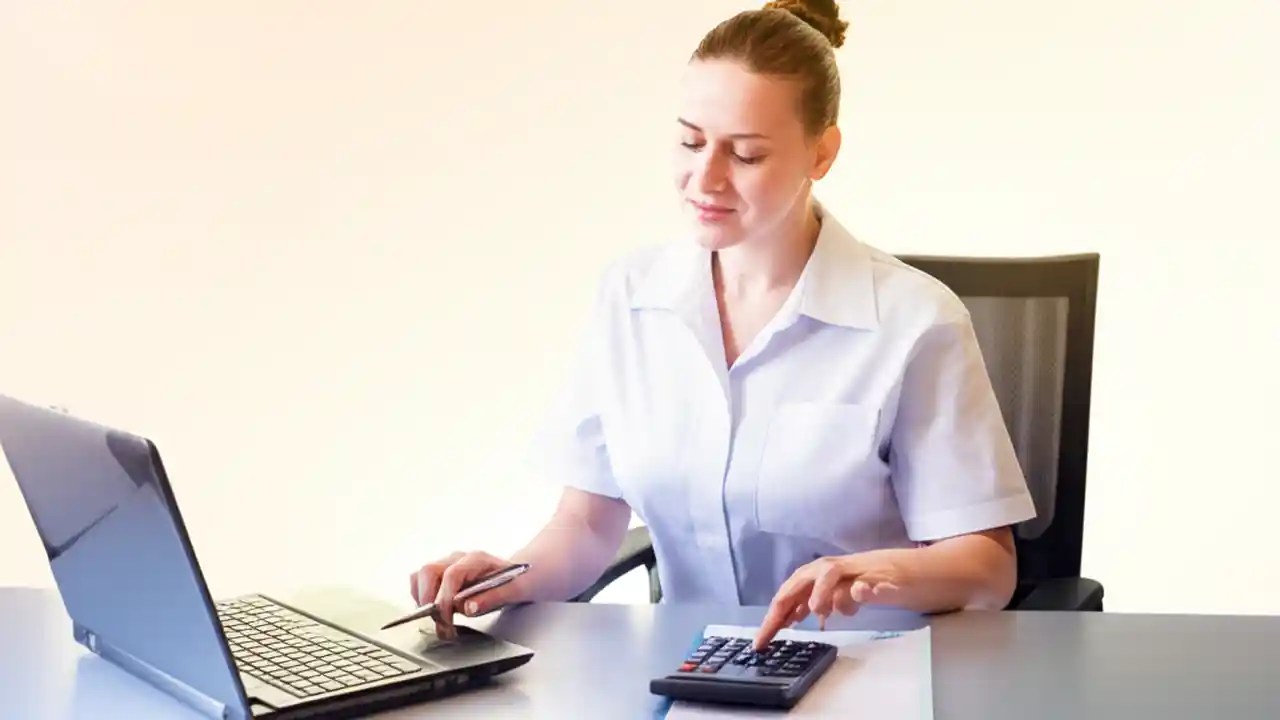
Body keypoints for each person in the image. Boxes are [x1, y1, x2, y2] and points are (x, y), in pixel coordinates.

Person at [409, 0, 1035, 651]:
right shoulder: (631, 298)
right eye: (690, 140)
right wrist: (505, 577)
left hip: (861, 669)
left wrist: (872, 573)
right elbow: (587, 524)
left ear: (822, 153)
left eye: (746, 154)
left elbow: (987, 569)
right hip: (690, 672)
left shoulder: (914, 321)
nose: (704, 177)